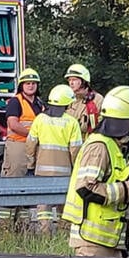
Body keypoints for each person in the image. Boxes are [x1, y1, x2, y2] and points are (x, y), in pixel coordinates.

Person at [62, 85, 129, 257]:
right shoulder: (99, 147)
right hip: (93, 243)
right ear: (127, 120)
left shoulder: (117, 147)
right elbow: (86, 188)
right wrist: (125, 190)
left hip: (110, 241)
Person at [26, 84, 82, 234]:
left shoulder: (40, 119)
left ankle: (45, 235)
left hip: (42, 172)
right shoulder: (71, 122)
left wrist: (31, 165)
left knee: (44, 207)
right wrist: (76, 168)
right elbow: (75, 150)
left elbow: (30, 144)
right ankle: (64, 235)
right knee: (65, 206)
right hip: (65, 173)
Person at [0, 67, 45, 228]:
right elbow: (13, 124)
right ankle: (5, 229)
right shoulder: (15, 101)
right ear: (21, 85)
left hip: (34, 149)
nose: (31, 86)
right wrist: (33, 135)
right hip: (17, 146)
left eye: (33, 83)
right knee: (13, 185)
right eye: (27, 83)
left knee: (27, 187)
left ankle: (23, 227)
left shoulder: (40, 104)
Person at [64, 64, 107, 138]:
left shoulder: (97, 100)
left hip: (88, 145)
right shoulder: (66, 99)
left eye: (74, 80)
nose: (71, 83)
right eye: (69, 80)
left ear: (84, 81)